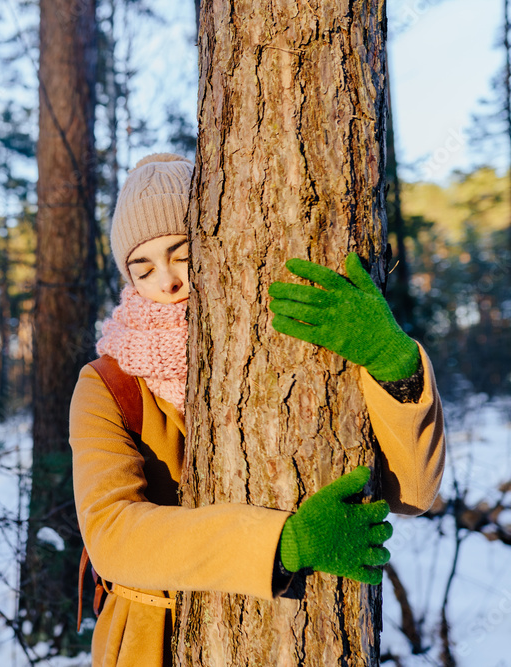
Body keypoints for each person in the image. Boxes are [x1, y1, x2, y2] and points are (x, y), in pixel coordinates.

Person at [69, 152, 447, 666]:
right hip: (150, 640)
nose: (168, 280)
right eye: (144, 266)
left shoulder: (283, 342)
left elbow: (415, 493)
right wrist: (280, 542)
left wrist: (394, 363)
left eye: (182, 254)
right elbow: (111, 536)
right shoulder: (105, 384)